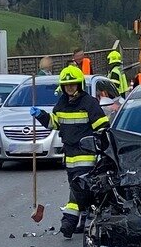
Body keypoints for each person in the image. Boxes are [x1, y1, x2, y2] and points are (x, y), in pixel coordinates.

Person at [46, 64, 111, 237]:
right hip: (69, 155)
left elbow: (102, 127)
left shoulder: (89, 102)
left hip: (86, 155)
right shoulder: (61, 104)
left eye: (73, 85)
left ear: (79, 85)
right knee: (77, 188)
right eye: (67, 85)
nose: (69, 88)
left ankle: (70, 222)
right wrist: (40, 115)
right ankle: (83, 219)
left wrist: (98, 149)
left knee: (79, 189)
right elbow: (54, 123)